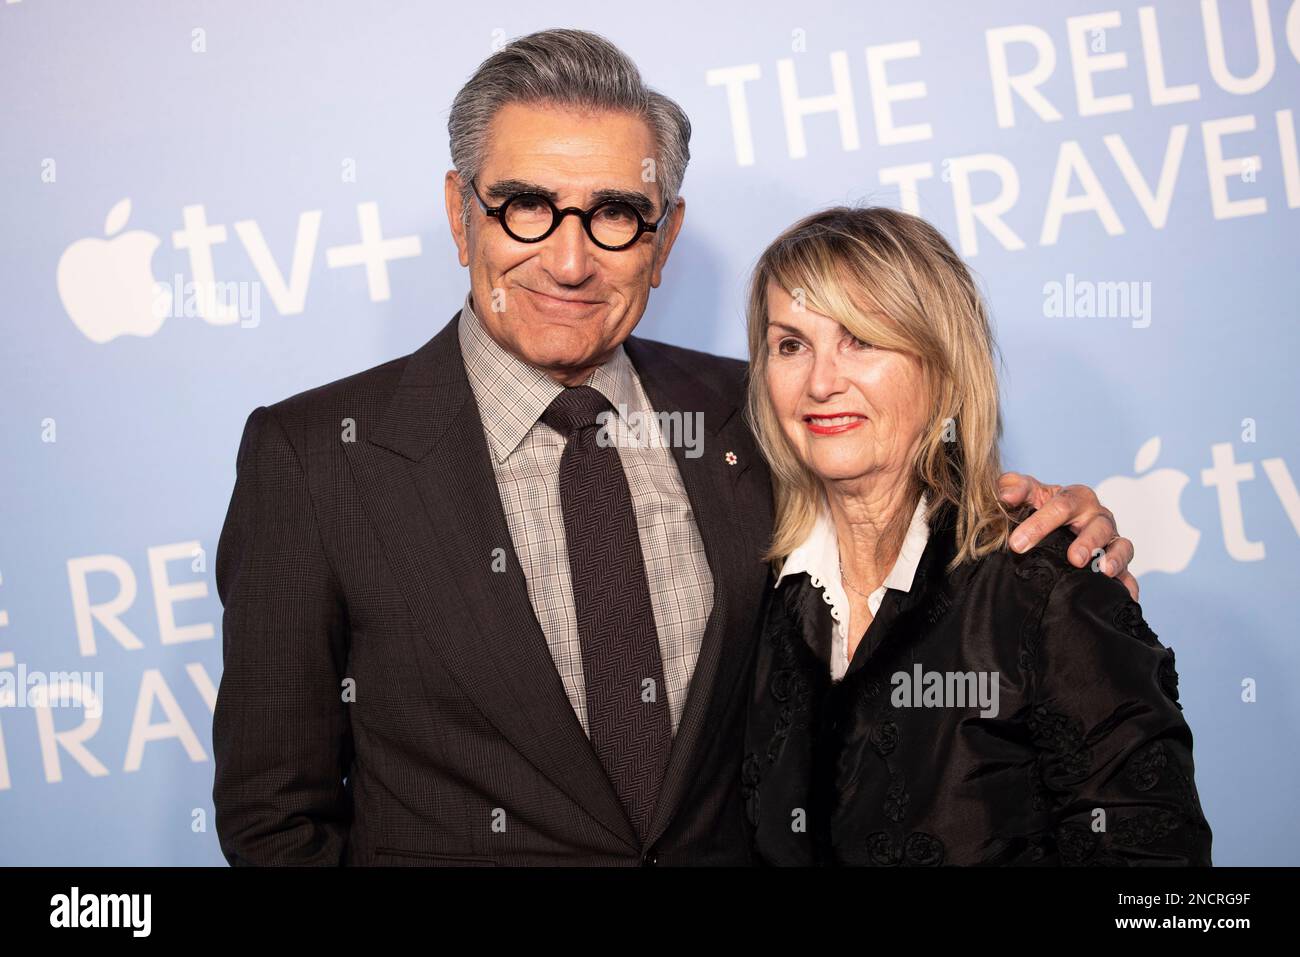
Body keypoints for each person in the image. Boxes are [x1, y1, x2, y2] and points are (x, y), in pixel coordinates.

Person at [212, 29, 1137, 866]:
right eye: (526, 206)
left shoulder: (766, 414)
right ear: (462, 213)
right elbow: (275, 818)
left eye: (616, 214)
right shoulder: (316, 458)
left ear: (665, 239)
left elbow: (911, 529)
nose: (570, 262)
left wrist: (1058, 538)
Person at [741, 206, 1212, 866]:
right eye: (791, 344)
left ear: (940, 364)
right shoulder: (754, 593)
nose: (820, 381)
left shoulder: (1043, 587)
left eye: (861, 339)